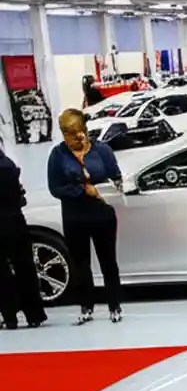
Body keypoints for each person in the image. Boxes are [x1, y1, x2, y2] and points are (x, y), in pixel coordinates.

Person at [48, 108, 123, 325]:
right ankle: (86, 306)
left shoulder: (102, 151)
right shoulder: (58, 155)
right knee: (81, 264)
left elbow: (115, 177)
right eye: (69, 135)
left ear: (85, 130)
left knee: (108, 261)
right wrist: (82, 189)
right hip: (75, 216)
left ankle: (115, 305)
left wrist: (103, 189)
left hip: (102, 214)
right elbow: (55, 187)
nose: (75, 139)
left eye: (78, 133)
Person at [0, 148, 46, 329]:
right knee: (25, 268)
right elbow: (21, 198)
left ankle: (10, 316)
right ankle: (34, 314)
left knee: (1, 273)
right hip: (16, 222)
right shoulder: (10, 166)